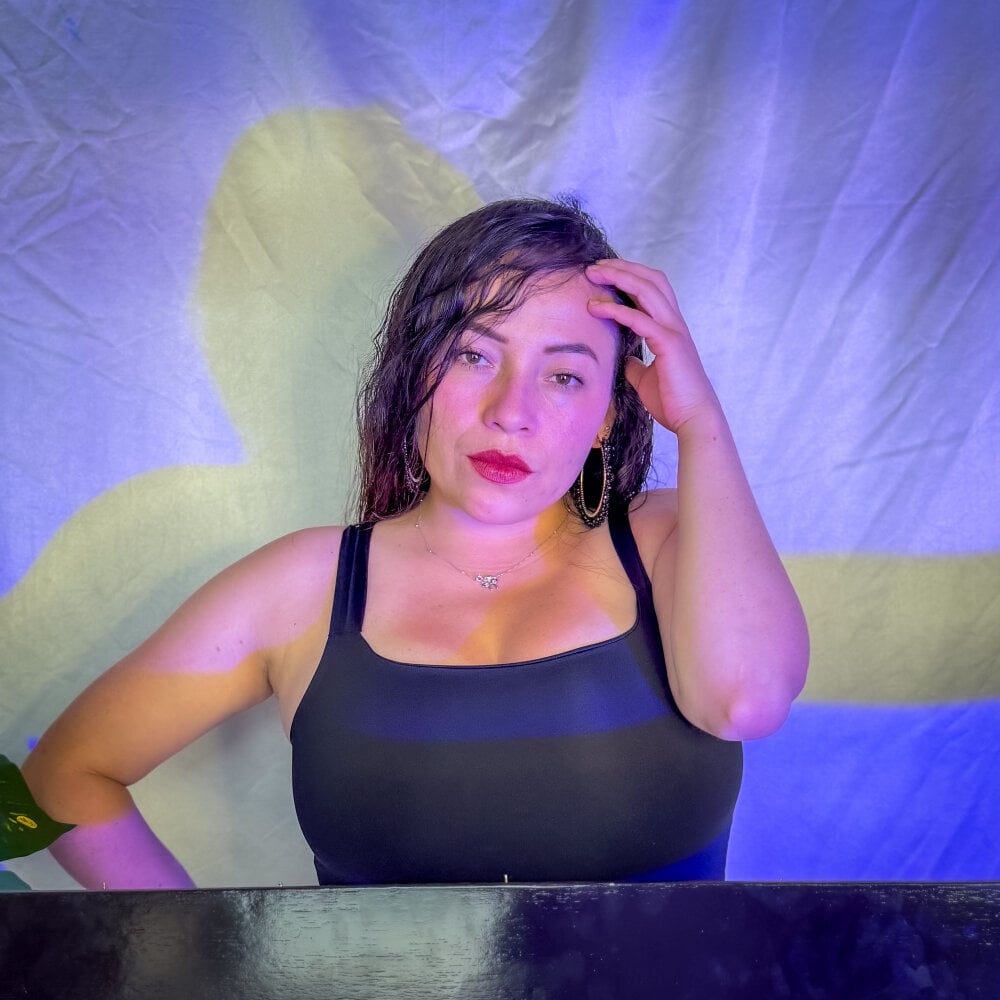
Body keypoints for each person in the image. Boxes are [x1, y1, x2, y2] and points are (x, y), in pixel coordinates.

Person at [22, 197, 808, 888]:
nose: (511, 411)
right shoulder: (303, 587)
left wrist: (700, 421)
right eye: (474, 354)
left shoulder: (668, 542)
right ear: (416, 372)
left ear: (608, 411)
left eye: (565, 376)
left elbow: (745, 699)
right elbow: (67, 774)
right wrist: (203, 965)